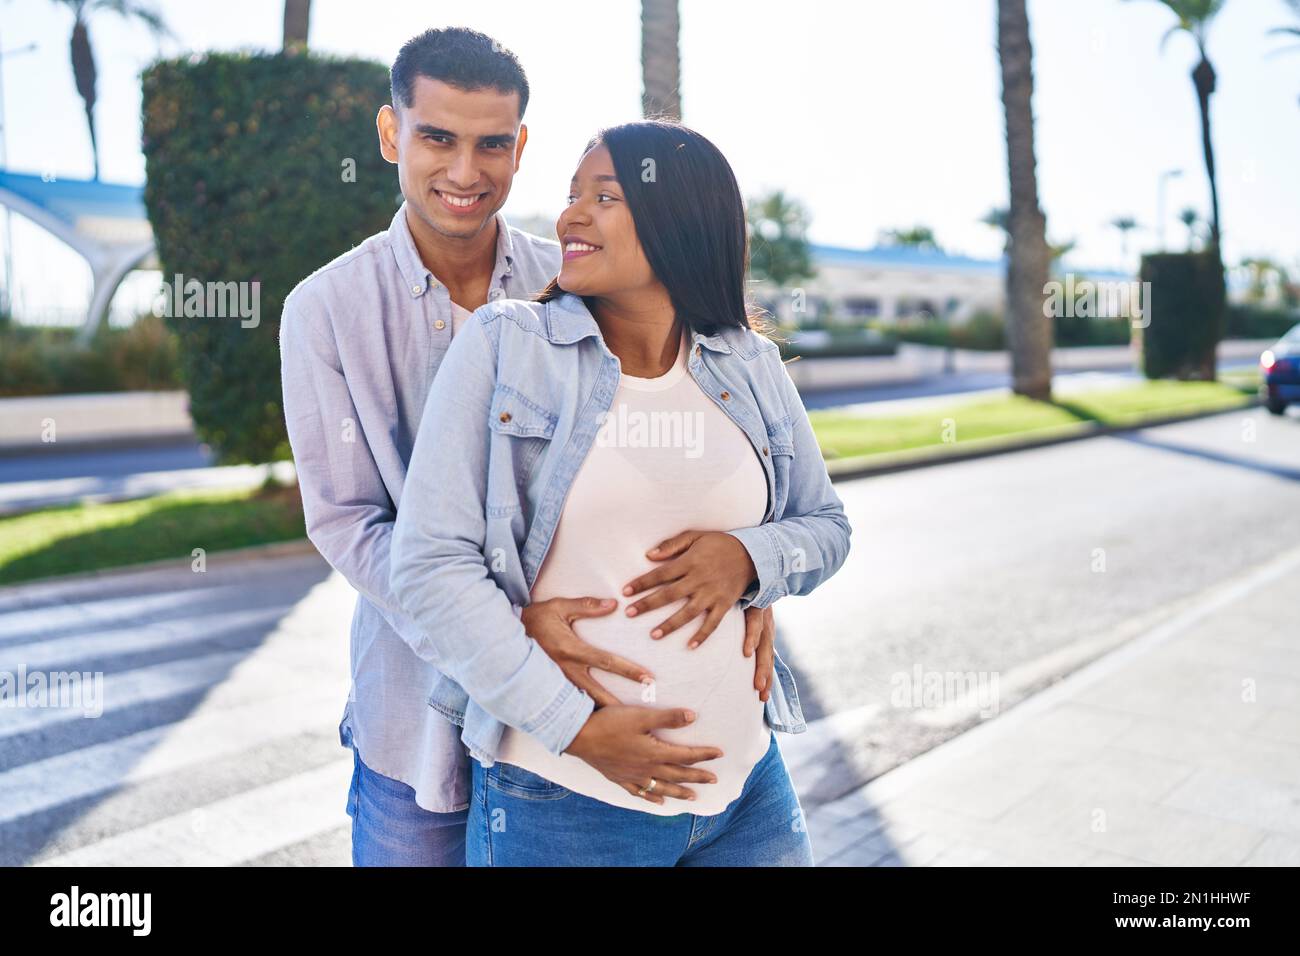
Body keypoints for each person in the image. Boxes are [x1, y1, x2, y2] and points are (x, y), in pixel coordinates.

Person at [280, 27, 775, 867]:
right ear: (391, 134)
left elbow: (691, 451)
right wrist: (505, 629)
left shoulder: (584, 273)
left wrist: (754, 571)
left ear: (521, 147)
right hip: (421, 722)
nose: (466, 172)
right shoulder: (326, 309)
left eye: (491, 145)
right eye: (437, 137)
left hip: (585, 731)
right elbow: (348, 522)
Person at [389, 120, 852, 866]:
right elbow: (430, 564)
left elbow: (826, 525)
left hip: (747, 792)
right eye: (573, 195)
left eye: (604, 196)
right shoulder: (509, 345)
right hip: (567, 801)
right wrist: (573, 726)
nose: (570, 215)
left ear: (681, 223)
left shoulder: (750, 362)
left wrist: (749, 556)